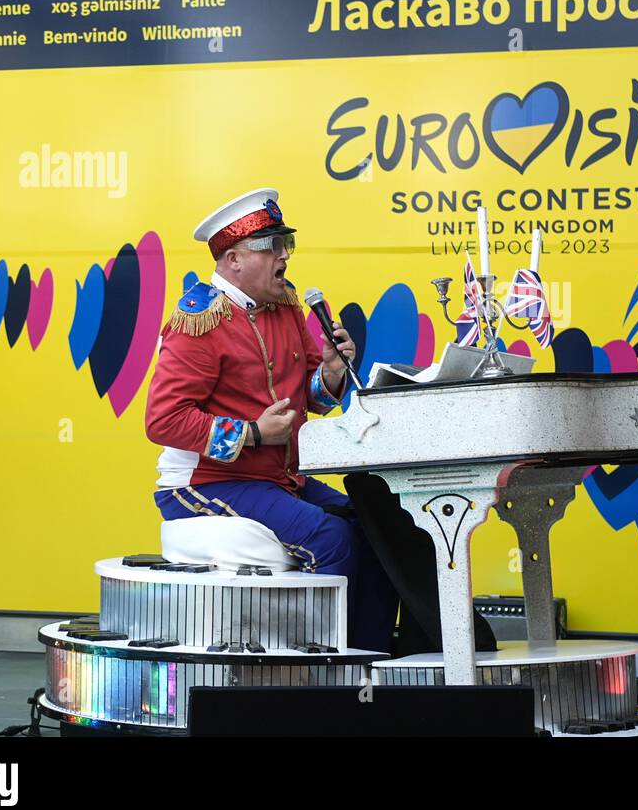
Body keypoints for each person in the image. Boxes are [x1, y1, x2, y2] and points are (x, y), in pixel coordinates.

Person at [144, 188, 495, 655]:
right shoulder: (199, 321)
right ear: (233, 260)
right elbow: (162, 420)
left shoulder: (287, 305)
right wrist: (252, 433)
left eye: (286, 241)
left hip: (282, 480)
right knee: (331, 538)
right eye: (271, 245)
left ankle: (370, 661)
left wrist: (329, 372)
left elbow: (312, 396)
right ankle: (326, 671)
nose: (284, 255)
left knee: (381, 524)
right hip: (208, 483)